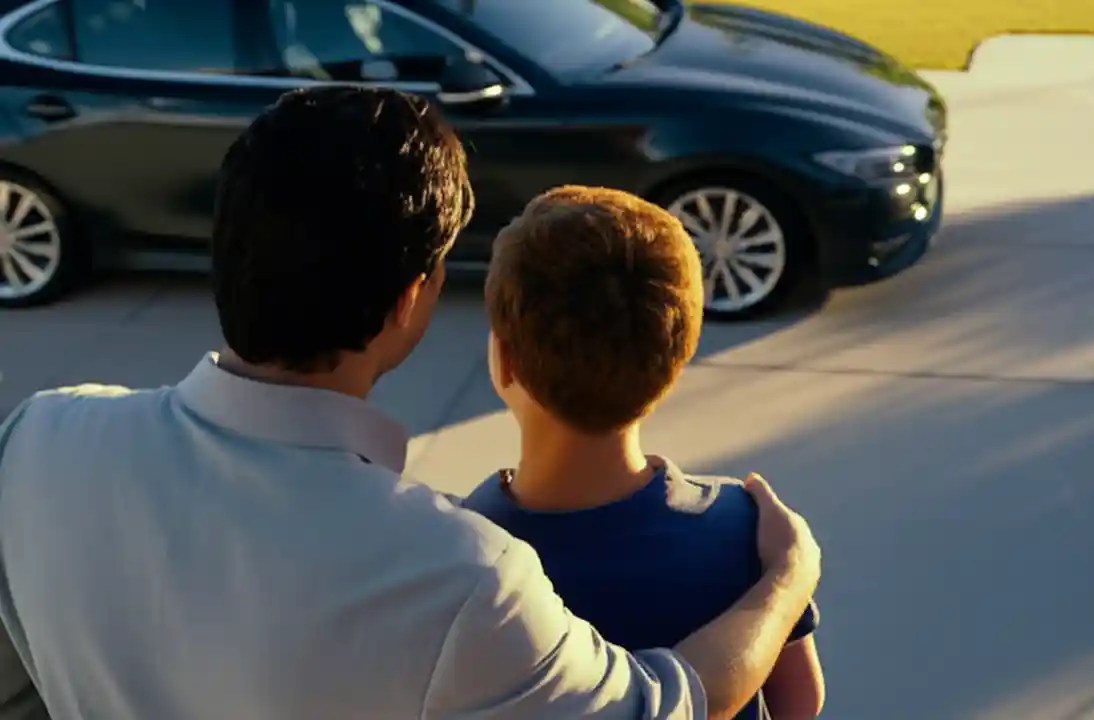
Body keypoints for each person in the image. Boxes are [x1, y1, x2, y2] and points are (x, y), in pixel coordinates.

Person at [0, 88, 820, 720]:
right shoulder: (462, 581)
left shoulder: (37, 440)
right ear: (410, 299)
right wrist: (786, 582)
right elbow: (666, 703)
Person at [464, 187, 825, 719]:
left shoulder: (465, 548)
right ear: (674, 360)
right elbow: (800, 701)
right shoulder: (743, 527)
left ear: (505, 361)